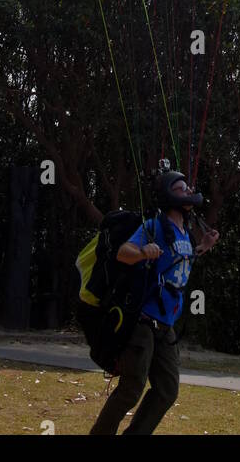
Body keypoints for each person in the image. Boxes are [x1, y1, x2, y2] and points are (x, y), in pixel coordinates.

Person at [89, 170, 219, 435]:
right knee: (131, 388)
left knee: (168, 390)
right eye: (182, 188)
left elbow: (180, 262)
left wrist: (203, 246)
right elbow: (123, 253)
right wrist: (142, 252)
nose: (188, 191)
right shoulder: (155, 226)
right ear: (169, 194)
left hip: (165, 326)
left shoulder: (184, 232)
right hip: (143, 321)